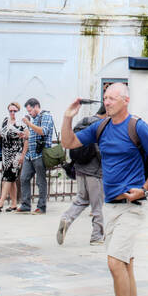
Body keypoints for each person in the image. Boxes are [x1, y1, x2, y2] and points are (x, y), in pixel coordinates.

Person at [62, 83, 148, 296]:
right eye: (105, 98)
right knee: (125, 264)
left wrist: (144, 188)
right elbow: (69, 143)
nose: (107, 102)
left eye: (112, 98)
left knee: (114, 262)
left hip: (132, 206)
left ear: (125, 100)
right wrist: (68, 117)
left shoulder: (137, 126)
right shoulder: (101, 127)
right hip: (110, 207)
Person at [57, 103, 106, 246]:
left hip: (79, 168)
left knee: (81, 199)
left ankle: (66, 219)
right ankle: (97, 236)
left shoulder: (83, 121)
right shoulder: (101, 125)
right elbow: (100, 150)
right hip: (94, 171)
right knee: (98, 205)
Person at [18, 98, 56, 214]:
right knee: (23, 178)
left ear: (36, 107)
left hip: (40, 154)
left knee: (40, 181)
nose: (29, 113)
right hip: (30, 154)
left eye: (30, 110)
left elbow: (43, 131)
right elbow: (33, 134)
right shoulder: (34, 119)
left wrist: (28, 123)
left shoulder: (46, 116)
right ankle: (25, 205)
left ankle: (41, 206)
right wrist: (25, 135)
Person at [0, 102, 28, 212]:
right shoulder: (5, 121)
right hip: (5, 154)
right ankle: (13, 204)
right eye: (11, 110)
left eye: (15, 111)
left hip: (16, 154)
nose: (12, 112)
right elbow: (0, 135)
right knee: (12, 179)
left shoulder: (22, 123)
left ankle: (1, 202)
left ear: (18, 111)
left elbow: (27, 139)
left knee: (8, 177)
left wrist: (23, 154)